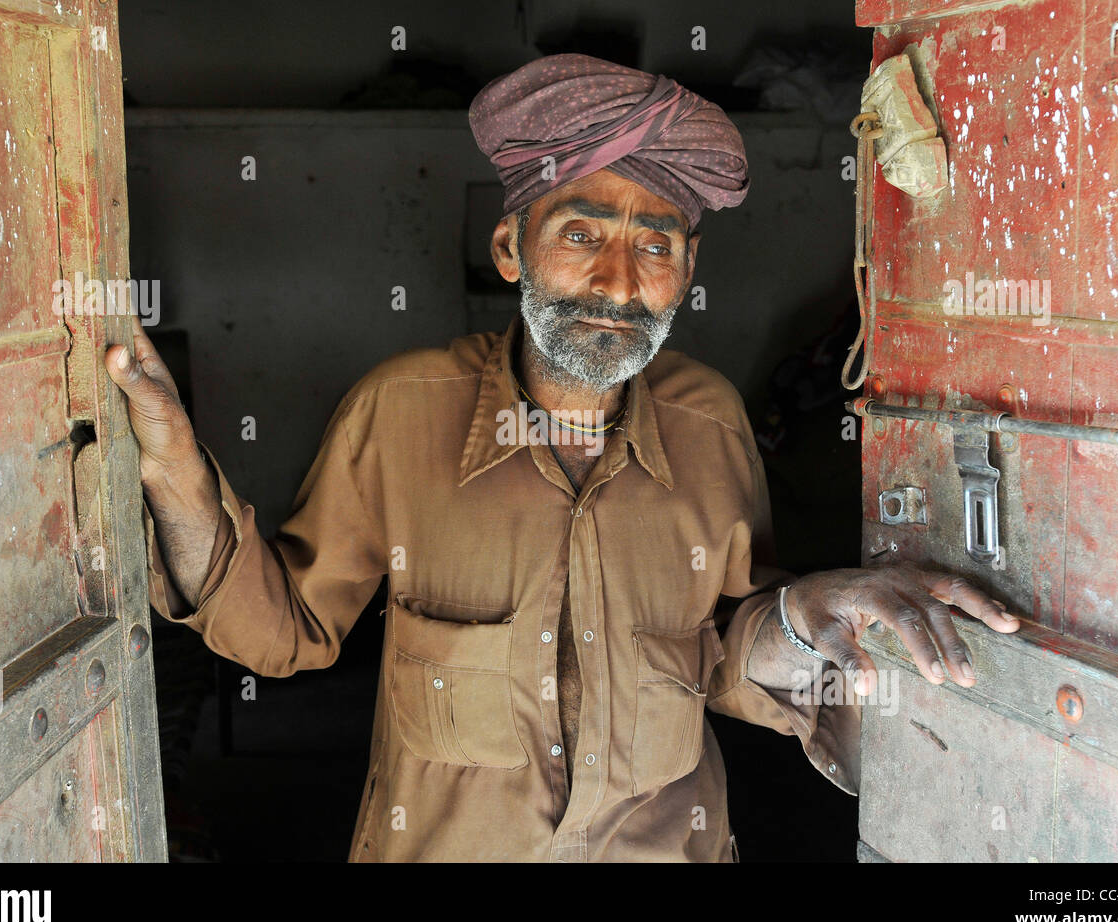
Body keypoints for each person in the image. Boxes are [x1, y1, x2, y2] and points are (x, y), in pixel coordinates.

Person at [105, 53, 1019, 862]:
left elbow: (715, 655)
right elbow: (283, 632)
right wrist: (175, 461)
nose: (619, 286)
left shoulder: (710, 424)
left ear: (687, 271)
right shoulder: (400, 413)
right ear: (512, 247)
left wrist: (798, 611)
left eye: (653, 246)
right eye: (582, 235)